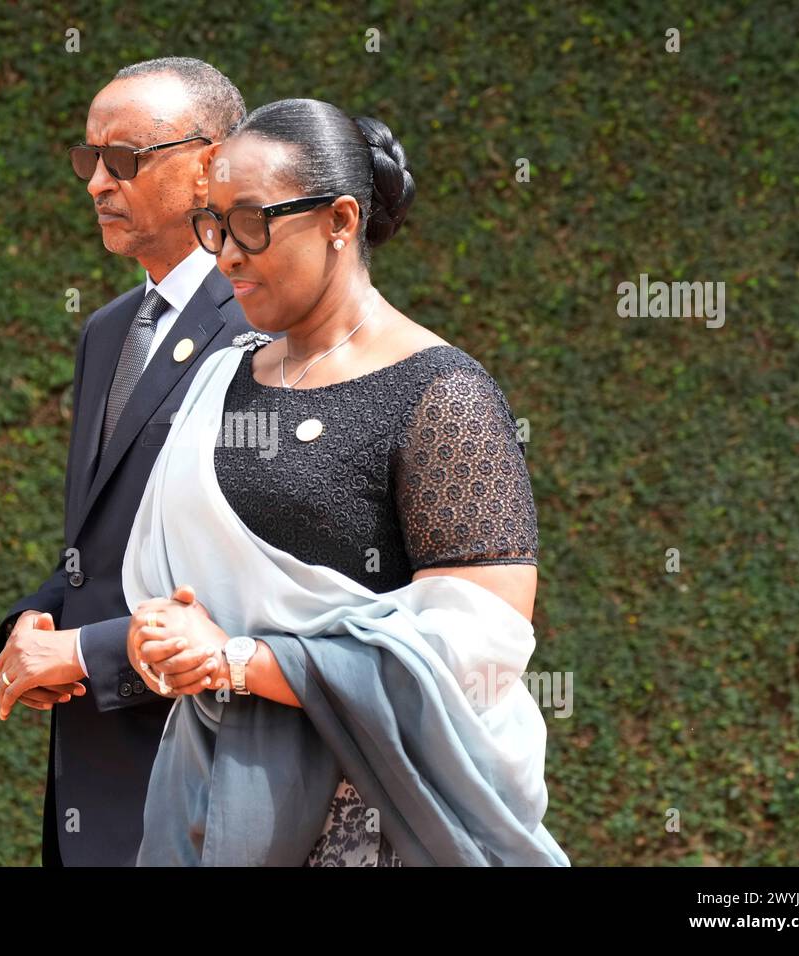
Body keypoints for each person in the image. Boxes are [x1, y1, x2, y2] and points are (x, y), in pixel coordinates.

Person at [122, 99, 569, 866]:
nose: (227, 254)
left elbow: (479, 650)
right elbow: (173, 577)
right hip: (215, 788)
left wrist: (240, 662)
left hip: (385, 811)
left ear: (339, 219)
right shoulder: (219, 379)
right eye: (215, 225)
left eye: (253, 222)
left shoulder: (440, 395)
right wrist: (156, 636)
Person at [0, 58, 252, 866]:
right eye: (89, 159)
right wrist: (32, 621)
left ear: (211, 162)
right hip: (87, 788)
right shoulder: (108, 329)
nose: (97, 183)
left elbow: (258, 587)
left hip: (207, 774)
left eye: (125, 159)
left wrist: (81, 655)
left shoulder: (264, 322)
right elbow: (101, 545)